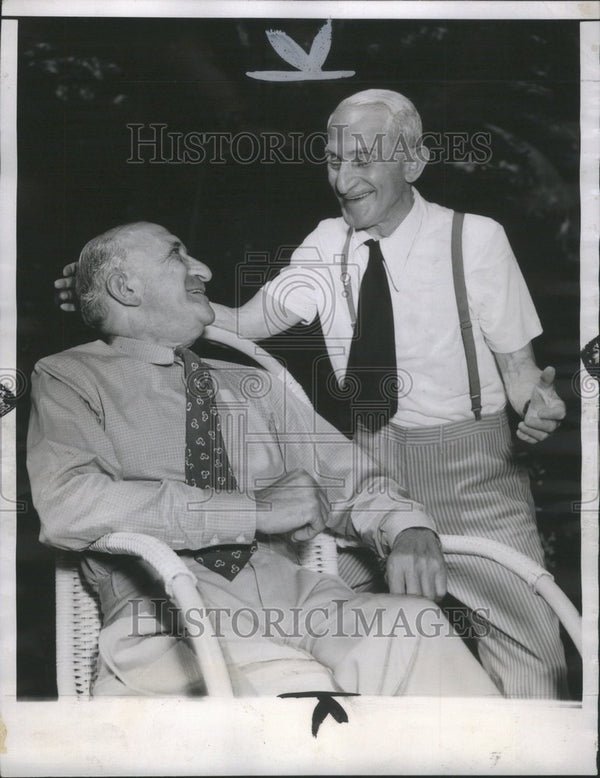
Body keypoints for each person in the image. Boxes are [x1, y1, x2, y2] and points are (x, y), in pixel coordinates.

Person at [54, 90, 568, 698]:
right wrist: (118, 293)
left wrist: (538, 405)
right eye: (333, 160)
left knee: (533, 647)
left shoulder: (475, 239)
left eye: (363, 159)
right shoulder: (327, 242)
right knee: (353, 621)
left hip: (469, 466)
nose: (343, 180)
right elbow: (246, 322)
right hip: (371, 449)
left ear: (413, 160)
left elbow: (521, 371)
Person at [32, 221, 499, 697]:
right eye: (177, 255)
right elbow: (69, 504)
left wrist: (408, 528)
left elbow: (348, 476)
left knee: (418, 629)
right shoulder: (69, 377)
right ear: (125, 287)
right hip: (174, 619)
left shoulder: (251, 384)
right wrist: (252, 510)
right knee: (302, 699)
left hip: (302, 602)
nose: (204, 270)